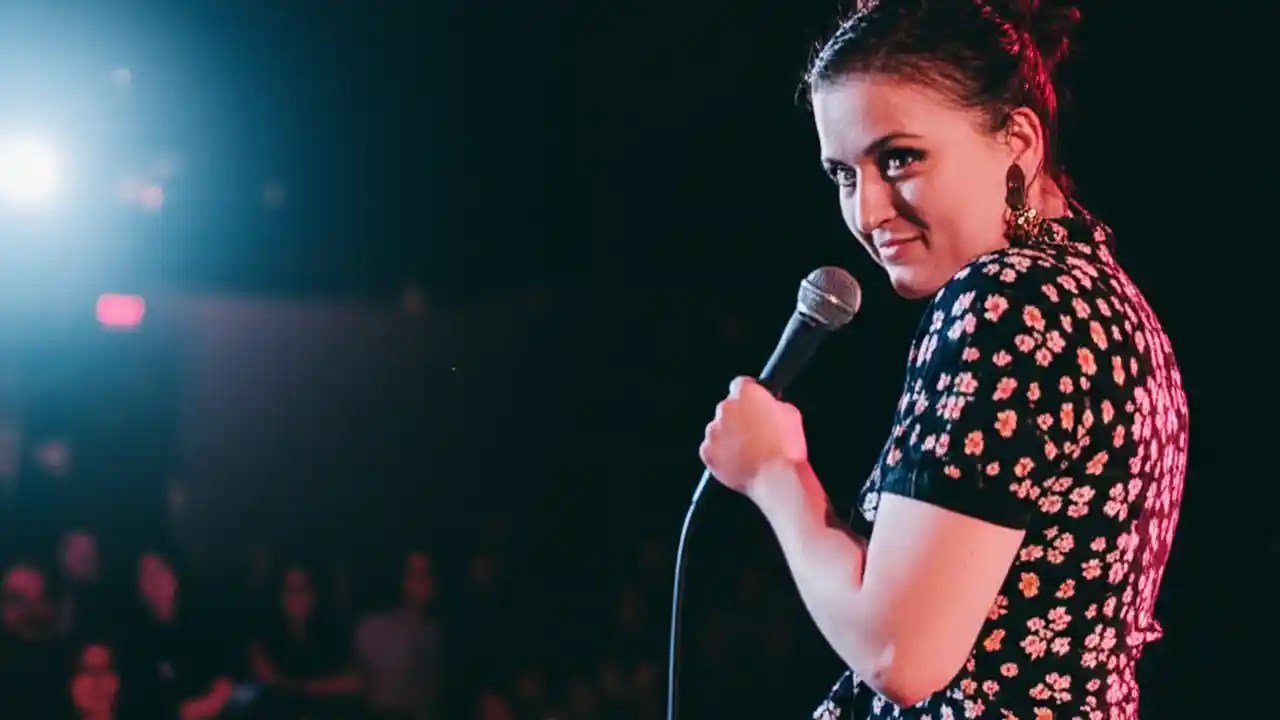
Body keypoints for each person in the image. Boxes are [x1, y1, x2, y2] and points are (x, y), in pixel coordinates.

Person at [697, 2, 1188, 718]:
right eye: (843, 174)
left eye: (899, 158)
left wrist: (776, 474)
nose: (867, 211)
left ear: (1018, 139)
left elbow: (902, 653)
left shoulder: (1007, 300)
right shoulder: (1103, 295)